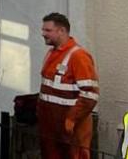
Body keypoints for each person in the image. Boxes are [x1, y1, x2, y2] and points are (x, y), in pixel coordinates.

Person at [37, 12, 98, 159]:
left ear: (62, 31)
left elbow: (90, 95)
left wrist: (71, 120)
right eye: (43, 30)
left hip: (71, 130)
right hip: (51, 129)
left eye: (48, 30)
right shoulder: (52, 53)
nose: (43, 34)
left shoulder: (78, 56)